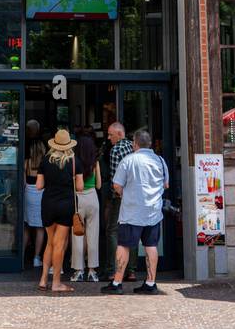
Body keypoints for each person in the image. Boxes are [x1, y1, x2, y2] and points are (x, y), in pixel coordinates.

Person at [102, 128, 168, 295]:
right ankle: (151, 282)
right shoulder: (160, 160)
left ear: (134, 144)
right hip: (153, 212)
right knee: (151, 246)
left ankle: (117, 282)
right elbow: (165, 185)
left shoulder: (128, 160)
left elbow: (117, 185)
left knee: (123, 245)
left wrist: (127, 194)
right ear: (150, 144)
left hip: (131, 212)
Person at [36, 129, 83, 294]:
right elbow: (80, 187)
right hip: (66, 205)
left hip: (48, 204)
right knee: (59, 244)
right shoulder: (75, 161)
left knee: (50, 242)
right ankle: (56, 283)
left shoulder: (45, 160)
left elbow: (39, 186)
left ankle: (43, 279)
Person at [103, 121, 136, 282]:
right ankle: (131, 270)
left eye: (111, 134)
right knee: (132, 230)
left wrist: (113, 198)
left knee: (113, 231)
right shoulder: (134, 147)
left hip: (121, 197)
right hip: (136, 197)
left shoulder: (115, 150)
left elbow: (115, 179)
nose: (108, 138)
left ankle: (114, 269)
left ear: (120, 134)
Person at [70, 127, 101, 282]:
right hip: (92, 198)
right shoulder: (94, 163)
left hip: (78, 199)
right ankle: (92, 271)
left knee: (77, 235)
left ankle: (78, 270)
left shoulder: (74, 163)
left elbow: (73, 184)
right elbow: (99, 185)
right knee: (93, 235)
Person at [23, 119, 46, 271]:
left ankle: (22, 255)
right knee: (40, 228)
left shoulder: (27, 163)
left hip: (28, 194)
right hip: (40, 194)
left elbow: (23, 182)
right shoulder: (44, 164)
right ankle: (37, 257)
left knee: (26, 226)